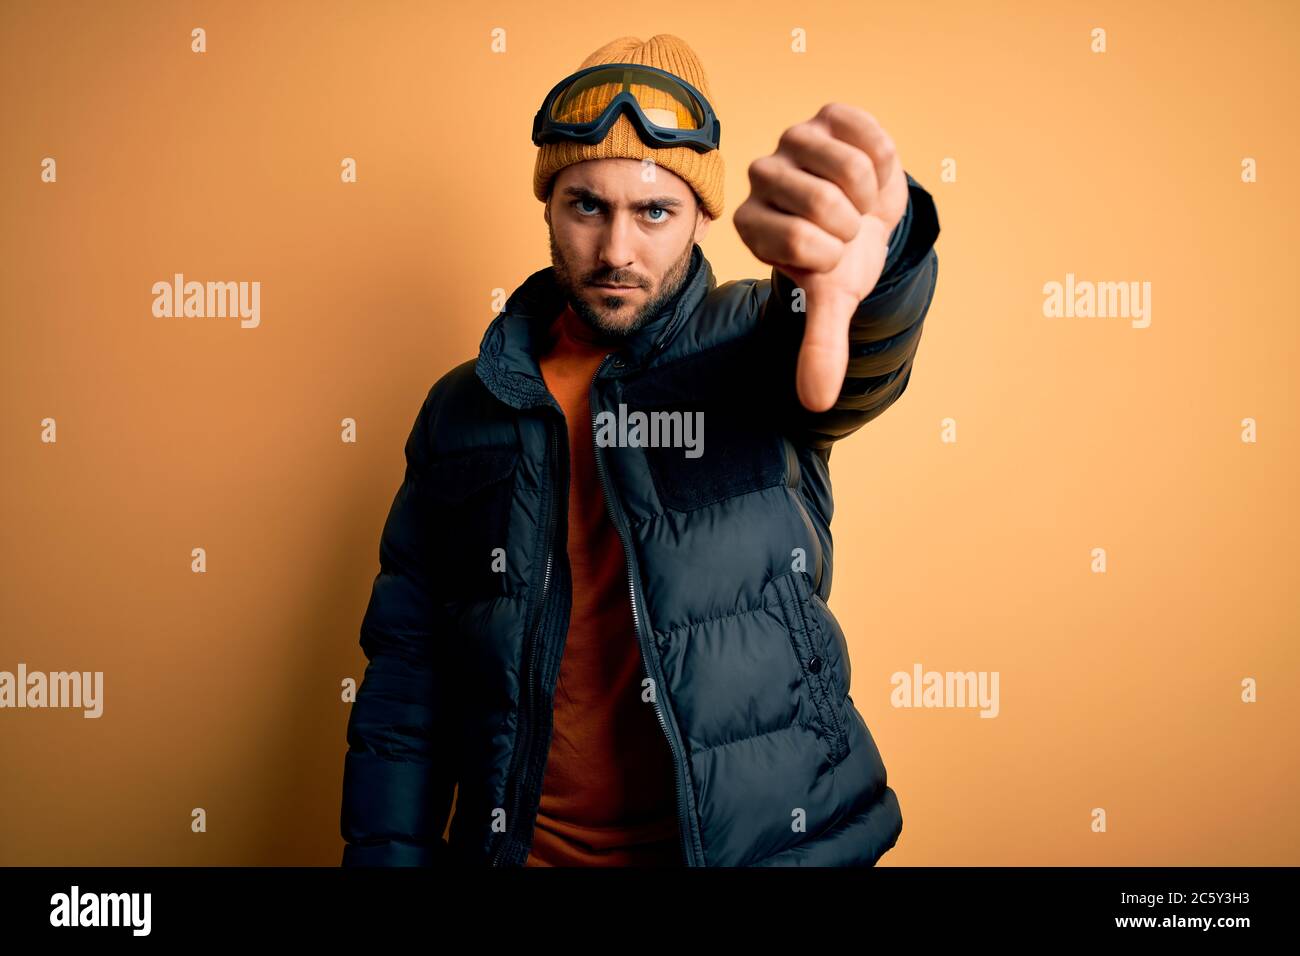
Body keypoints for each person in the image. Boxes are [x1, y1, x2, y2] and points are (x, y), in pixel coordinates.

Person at [340, 33, 940, 867]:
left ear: (701, 215)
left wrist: (881, 246)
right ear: (549, 205)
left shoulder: (754, 348)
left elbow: (862, 348)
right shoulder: (462, 408)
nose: (617, 250)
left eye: (654, 210)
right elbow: (408, 677)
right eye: (587, 205)